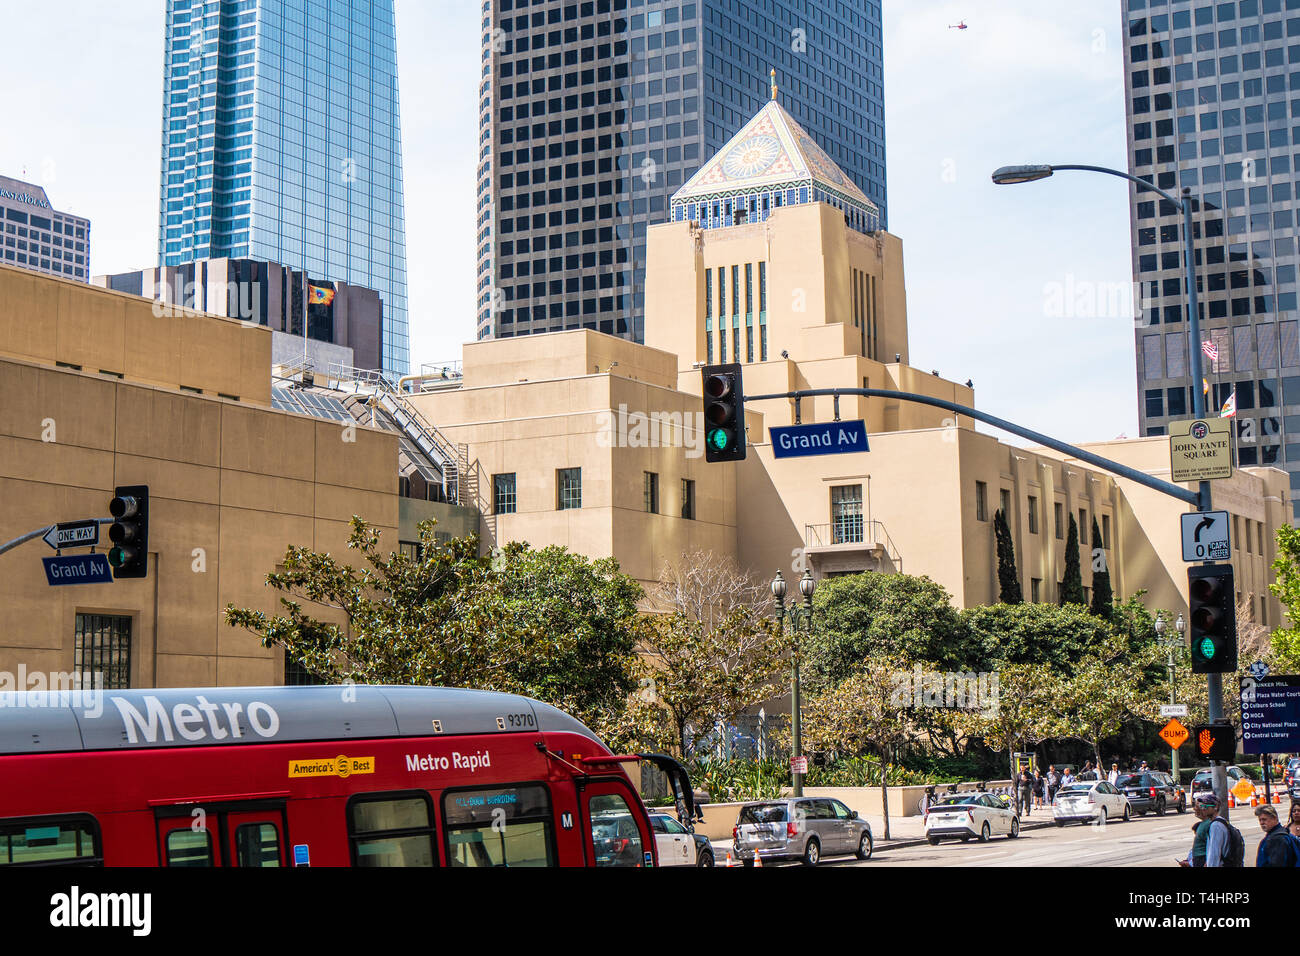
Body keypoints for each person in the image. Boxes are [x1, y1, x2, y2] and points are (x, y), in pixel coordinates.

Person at [1180, 793, 1230, 868]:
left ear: (1215, 807)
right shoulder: (1215, 823)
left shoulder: (1215, 825)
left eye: (1205, 806)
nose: (1202, 809)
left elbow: (1214, 852)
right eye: (1201, 806)